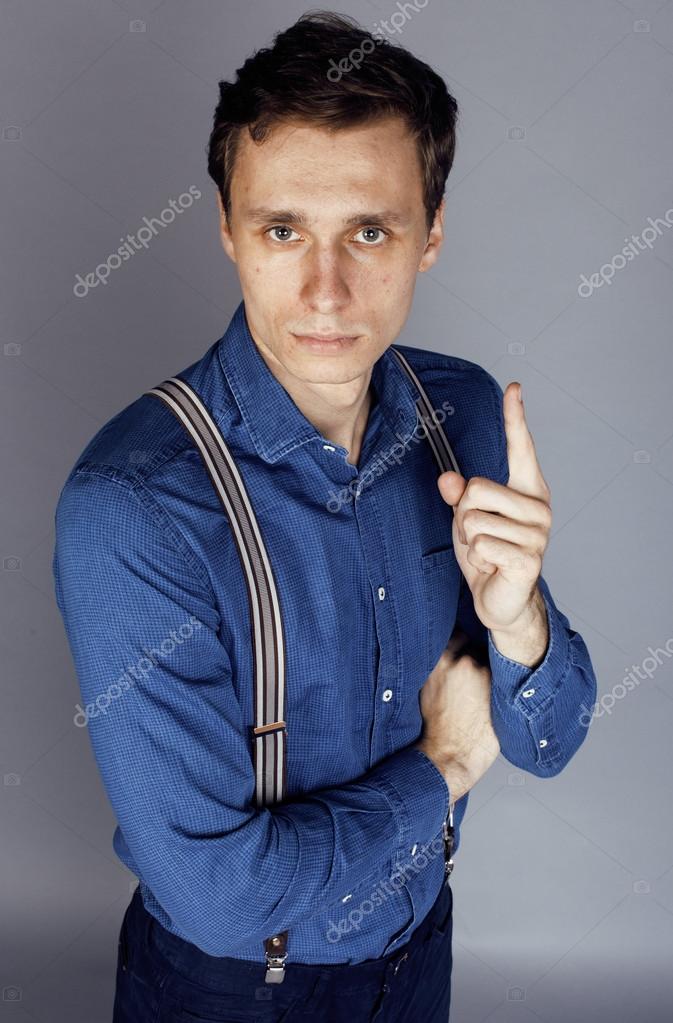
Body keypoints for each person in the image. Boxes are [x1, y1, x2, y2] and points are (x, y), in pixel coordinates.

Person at [52, 11, 597, 1021]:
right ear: (227, 229)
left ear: (431, 234)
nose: (325, 290)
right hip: (230, 992)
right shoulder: (133, 507)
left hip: (418, 957)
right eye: (282, 230)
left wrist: (520, 621)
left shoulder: (464, 413)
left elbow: (549, 743)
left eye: (371, 231)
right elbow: (221, 897)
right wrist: (442, 767)